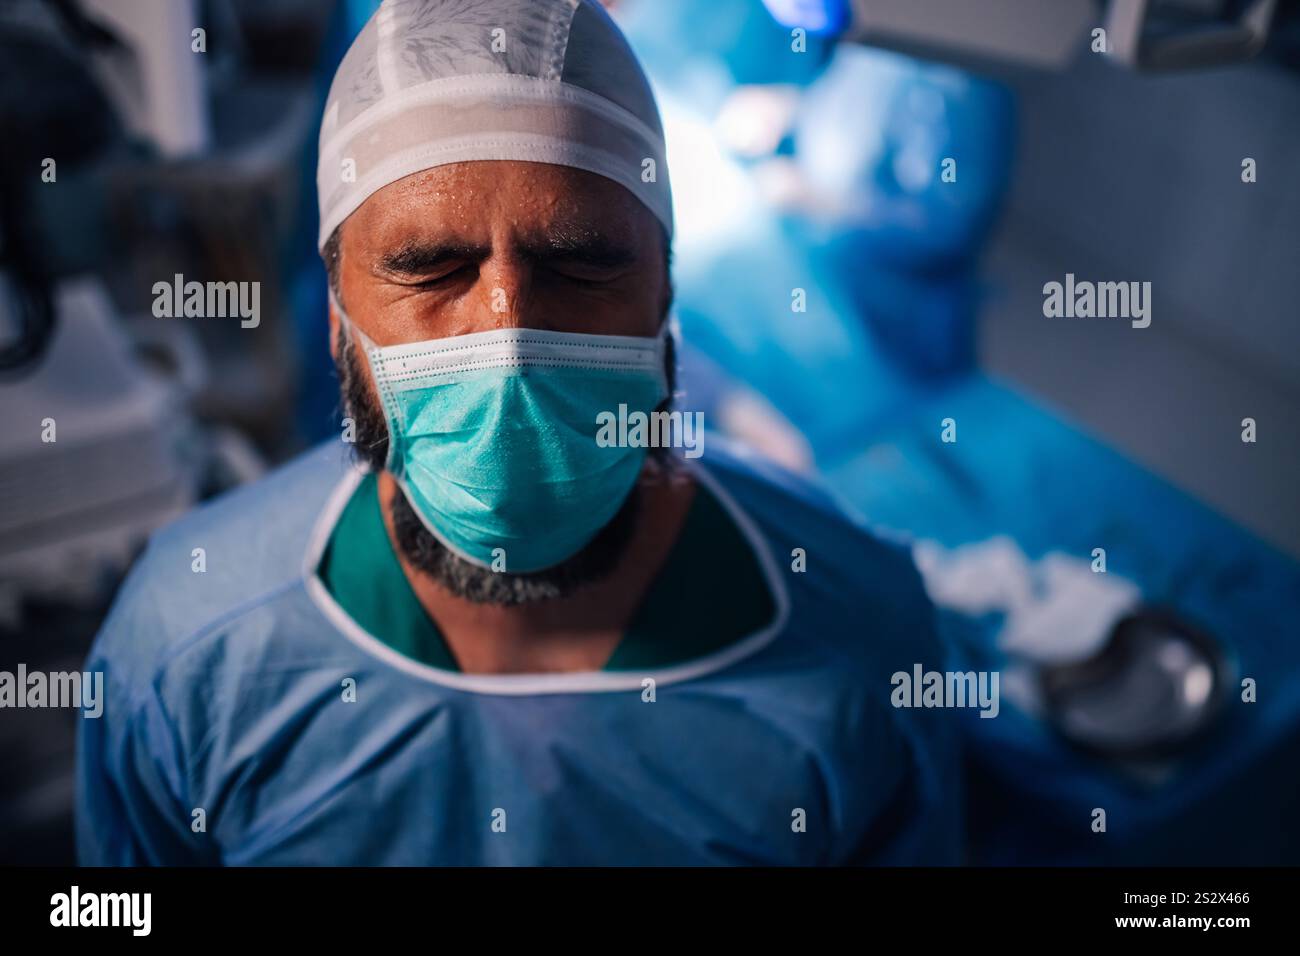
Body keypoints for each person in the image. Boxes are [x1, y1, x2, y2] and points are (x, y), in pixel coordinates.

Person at [77, 0, 960, 865]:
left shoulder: (862, 641)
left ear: (666, 298)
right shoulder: (187, 655)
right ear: (339, 318)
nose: (507, 356)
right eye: (431, 270)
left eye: (580, 265)